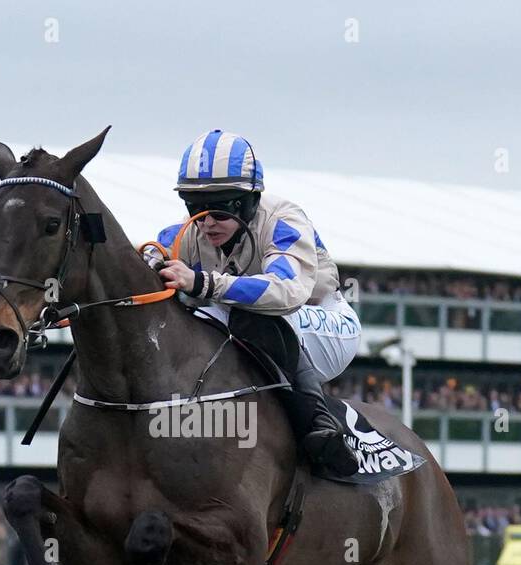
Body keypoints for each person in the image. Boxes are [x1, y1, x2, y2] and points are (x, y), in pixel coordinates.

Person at [147, 130, 361, 475]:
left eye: (220, 208)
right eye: (195, 207)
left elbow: (286, 292)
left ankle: (319, 425)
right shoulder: (183, 234)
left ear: (248, 201)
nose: (207, 222)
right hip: (254, 316)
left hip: (321, 318)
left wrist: (203, 282)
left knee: (248, 315)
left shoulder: (284, 220)